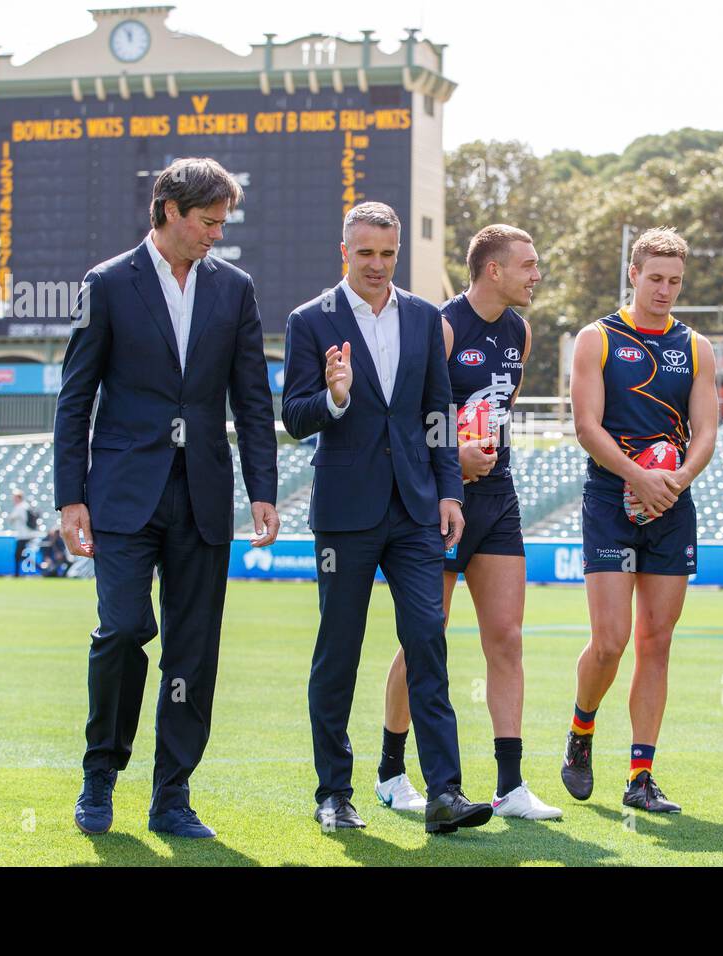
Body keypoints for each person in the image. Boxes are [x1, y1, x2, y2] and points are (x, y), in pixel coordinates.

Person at [54, 157, 279, 839]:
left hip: (204, 495)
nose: (217, 234)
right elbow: (76, 398)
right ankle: (101, 773)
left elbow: (251, 395)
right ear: (168, 212)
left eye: (221, 222)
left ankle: (172, 794)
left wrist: (261, 490)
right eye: (208, 222)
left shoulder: (233, 289)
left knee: (194, 651)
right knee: (122, 629)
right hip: (123, 494)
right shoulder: (107, 284)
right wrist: (71, 498)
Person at [282, 201, 492, 835]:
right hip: (346, 512)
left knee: (428, 640)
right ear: (343, 251)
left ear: (398, 254)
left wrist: (449, 493)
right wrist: (335, 398)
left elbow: (438, 412)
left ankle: (445, 793)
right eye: (365, 252)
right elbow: (294, 416)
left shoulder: (426, 318)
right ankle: (334, 793)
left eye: (387, 253)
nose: (376, 264)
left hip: (415, 509)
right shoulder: (309, 320)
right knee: (338, 651)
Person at [375, 225, 561, 821]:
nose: (536, 274)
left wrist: (481, 454)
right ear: (493, 270)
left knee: (505, 638)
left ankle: (510, 785)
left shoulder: (520, 331)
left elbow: (498, 415)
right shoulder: (444, 325)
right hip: (438, 502)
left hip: (499, 498)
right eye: (527, 265)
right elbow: (404, 417)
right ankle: (390, 771)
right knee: (426, 637)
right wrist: (453, 459)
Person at [561, 227, 718, 813]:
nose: (665, 291)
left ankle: (641, 776)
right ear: (633, 274)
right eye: (655, 278)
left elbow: (706, 433)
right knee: (611, 641)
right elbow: (586, 427)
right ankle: (581, 731)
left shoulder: (697, 347)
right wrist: (637, 475)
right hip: (610, 498)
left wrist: (673, 481)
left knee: (656, 642)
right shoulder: (596, 339)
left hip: (671, 504)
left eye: (675, 281)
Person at [7, 490, 36, 577]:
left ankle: (16, 574)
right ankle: (39, 567)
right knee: (21, 555)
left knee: (17, 555)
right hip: (27, 534)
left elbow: (11, 518)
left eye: (15, 498)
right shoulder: (26, 506)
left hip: (23, 535)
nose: (13, 500)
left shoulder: (20, 507)